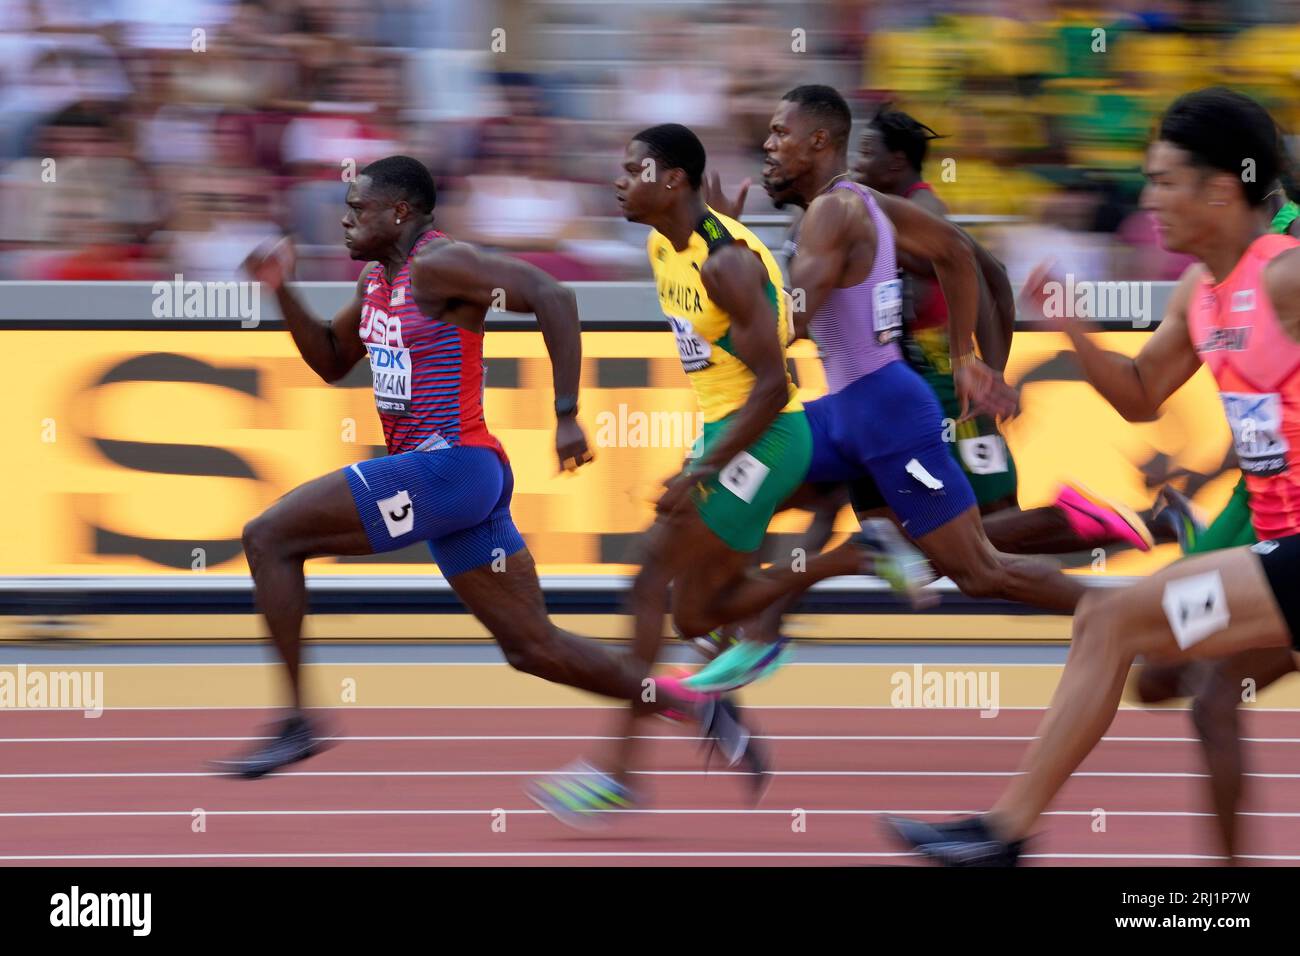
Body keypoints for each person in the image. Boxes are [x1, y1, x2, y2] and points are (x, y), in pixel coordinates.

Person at [221, 155, 749, 776]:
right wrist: (282, 289)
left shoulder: (442, 265)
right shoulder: (374, 283)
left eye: (358, 209)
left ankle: (297, 724)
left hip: (451, 469)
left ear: (399, 212)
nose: (345, 220)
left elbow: (554, 295)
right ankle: (691, 703)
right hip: (457, 488)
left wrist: (566, 412)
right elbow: (334, 359)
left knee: (269, 537)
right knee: (533, 647)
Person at [885, 88, 1300, 865]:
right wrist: (1071, 326)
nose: (1148, 202)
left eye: (1165, 181)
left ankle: (1007, 831)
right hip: (1280, 552)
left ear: (1220, 189)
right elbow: (1142, 397)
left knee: (1116, 625)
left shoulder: (1286, 278)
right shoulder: (1201, 296)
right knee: (1163, 668)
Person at [528, 125, 914, 821]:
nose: (618, 180)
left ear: (670, 180)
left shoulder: (722, 264)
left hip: (764, 440)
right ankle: (853, 556)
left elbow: (775, 384)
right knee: (700, 610)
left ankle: (618, 770)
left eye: (632, 168)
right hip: (729, 435)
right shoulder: (661, 243)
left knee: (648, 579)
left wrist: (704, 465)